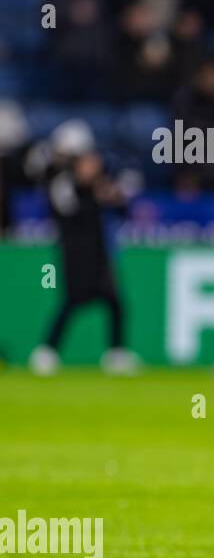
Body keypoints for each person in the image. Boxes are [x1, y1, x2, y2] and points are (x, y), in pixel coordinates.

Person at [28, 121, 140, 376]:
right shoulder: (61, 183)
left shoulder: (98, 183)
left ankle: (116, 352)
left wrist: (109, 194)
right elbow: (70, 211)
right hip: (75, 252)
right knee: (73, 300)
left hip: (99, 250)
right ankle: (47, 350)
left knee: (114, 301)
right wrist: (94, 193)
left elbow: (123, 207)